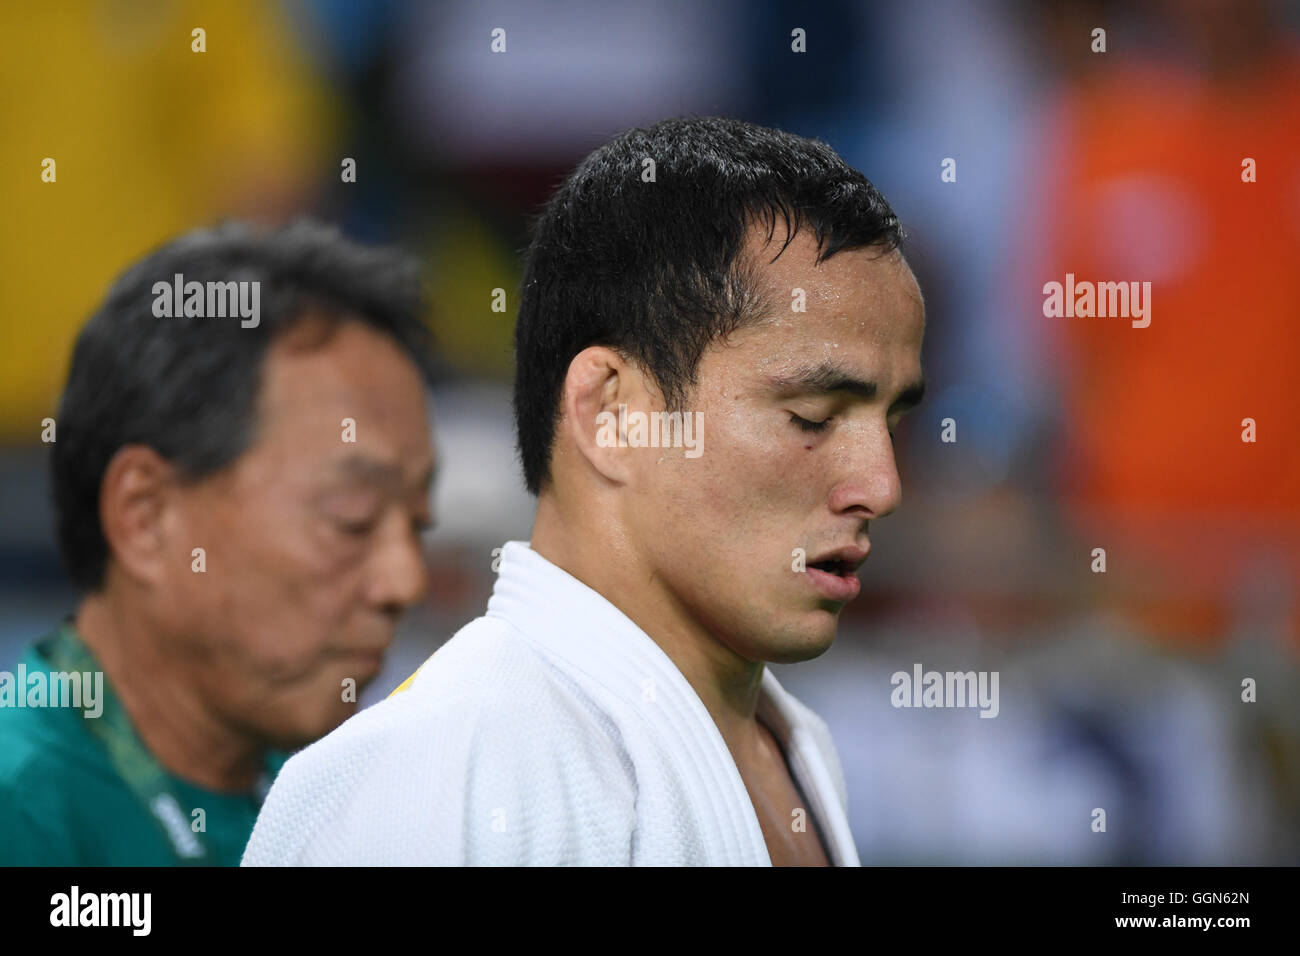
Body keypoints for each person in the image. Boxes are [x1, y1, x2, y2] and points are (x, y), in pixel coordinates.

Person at [243, 116, 926, 866]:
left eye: (892, 421)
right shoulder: (435, 775)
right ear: (613, 413)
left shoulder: (798, 750)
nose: (882, 485)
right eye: (813, 416)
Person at [0, 221, 439, 865]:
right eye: (353, 518)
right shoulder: (23, 816)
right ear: (146, 517)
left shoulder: (370, 801)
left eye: (419, 524)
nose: (406, 582)